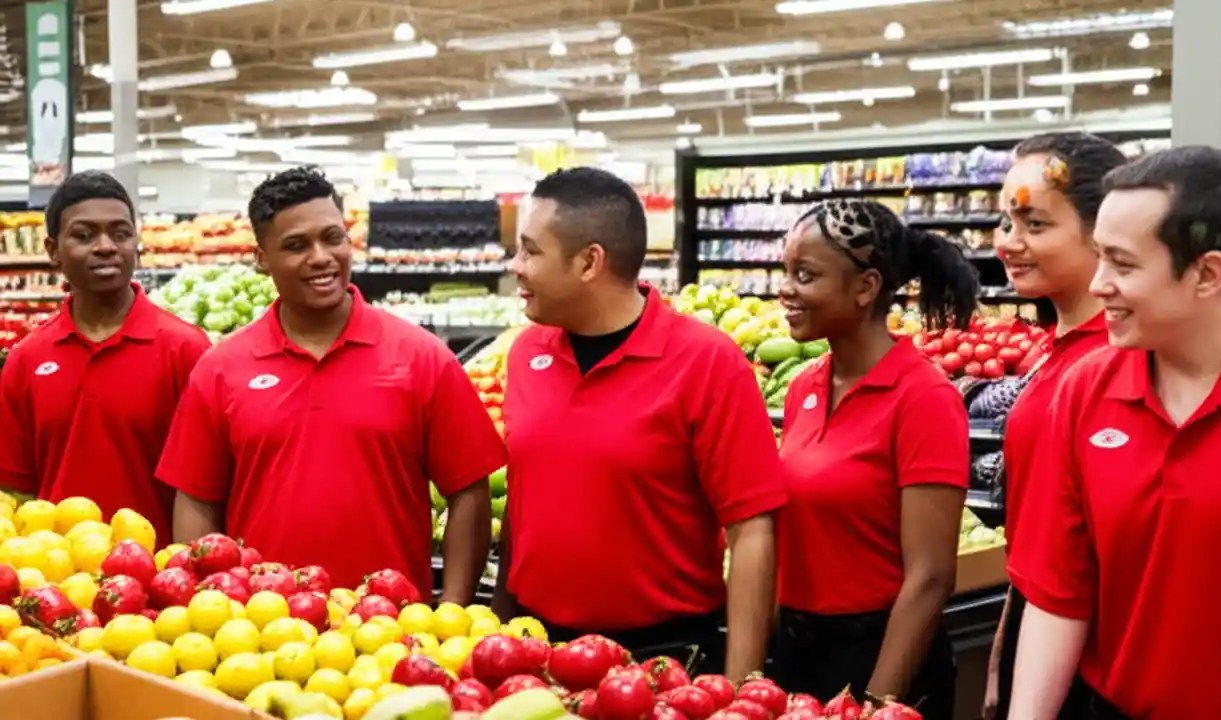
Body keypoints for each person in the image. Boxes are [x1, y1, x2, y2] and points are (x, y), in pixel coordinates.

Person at [1008, 146, 1221, 720]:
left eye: (1123, 265)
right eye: (1099, 257)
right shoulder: (1085, 392)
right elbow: (1061, 595)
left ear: (1207, 273)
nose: (1099, 283)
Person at [156, 167, 503, 600]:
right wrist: (206, 607)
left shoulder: (422, 357)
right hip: (262, 629)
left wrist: (451, 609)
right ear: (261, 258)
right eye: (296, 245)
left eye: (333, 237)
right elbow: (196, 500)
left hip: (389, 626)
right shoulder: (220, 369)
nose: (321, 257)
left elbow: (468, 490)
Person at [496, 166, 785, 682]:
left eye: (531, 251)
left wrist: (741, 685)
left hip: (660, 659)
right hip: (535, 648)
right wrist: (501, 625)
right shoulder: (525, 355)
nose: (515, 266)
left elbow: (752, 530)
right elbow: (523, 494)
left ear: (589, 262)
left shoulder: (707, 363)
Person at [770, 198, 977, 713]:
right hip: (800, 650)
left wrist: (875, 703)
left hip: (879, 654)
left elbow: (930, 578)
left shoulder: (924, 397)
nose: (785, 290)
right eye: (785, 271)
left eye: (805, 275)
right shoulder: (804, 388)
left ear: (865, 288)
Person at [981, 133, 1127, 720]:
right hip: (1037, 630)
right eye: (1004, 222)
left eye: (1034, 225)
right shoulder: (1057, 351)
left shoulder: (1120, 365)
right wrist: (1002, 652)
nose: (1007, 243)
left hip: (1091, 661)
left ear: (1101, 232)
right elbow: (1040, 543)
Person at [0, 171, 209, 547]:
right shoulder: (27, 359)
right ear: (52, 250)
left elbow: (206, 485)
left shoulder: (186, 350)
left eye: (120, 233)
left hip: (159, 583)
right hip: (54, 582)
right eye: (84, 235)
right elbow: (16, 491)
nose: (105, 246)